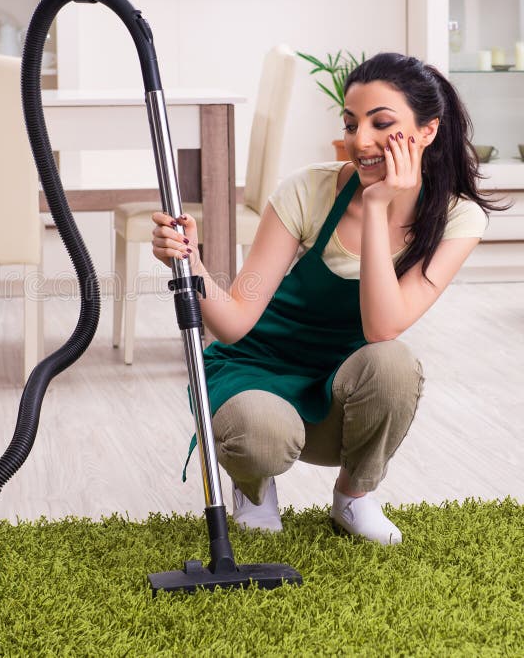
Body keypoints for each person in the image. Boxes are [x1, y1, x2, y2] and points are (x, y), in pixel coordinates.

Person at [151, 52, 502, 545]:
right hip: (256, 375)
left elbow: (383, 328)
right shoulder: (308, 190)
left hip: (341, 390)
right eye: (351, 122)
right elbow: (233, 320)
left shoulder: (457, 218)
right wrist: (190, 264)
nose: (360, 141)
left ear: (427, 131)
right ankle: (253, 490)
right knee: (260, 430)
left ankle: (353, 498)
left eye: (382, 124)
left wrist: (377, 208)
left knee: (394, 362)